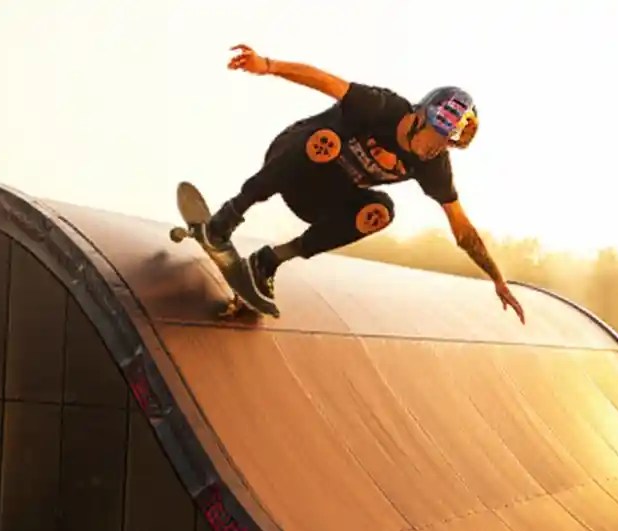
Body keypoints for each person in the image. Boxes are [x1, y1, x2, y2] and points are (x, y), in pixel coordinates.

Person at [207, 44, 525, 324]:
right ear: (420, 119)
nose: (437, 148)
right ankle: (227, 217)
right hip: (294, 158)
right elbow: (325, 81)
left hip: (320, 201)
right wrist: (268, 65)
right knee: (326, 143)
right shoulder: (381, 107)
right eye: (438, 138)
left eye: (446, 145)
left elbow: (462, 228)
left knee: (380, 211)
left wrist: (497, 279)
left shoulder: (433, 166)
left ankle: (268, 262)